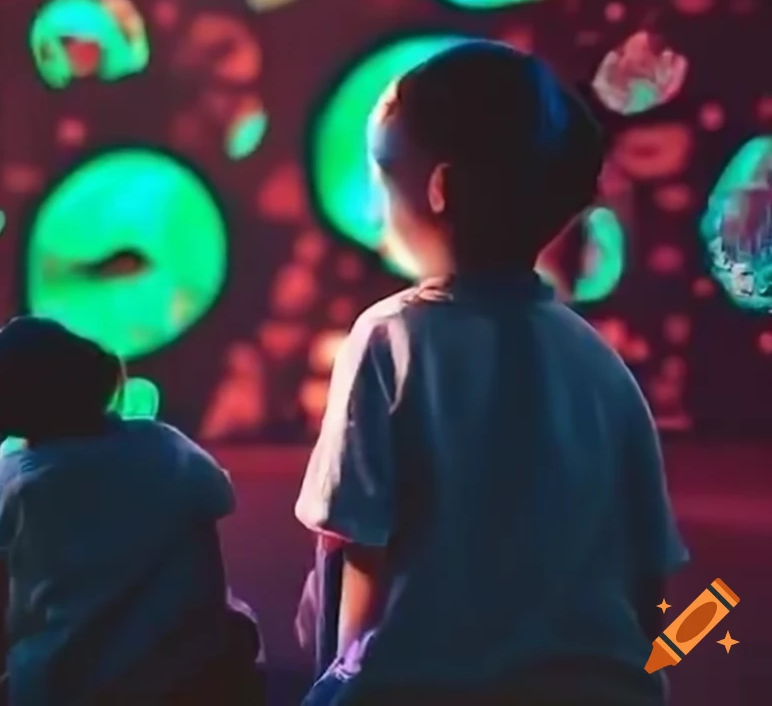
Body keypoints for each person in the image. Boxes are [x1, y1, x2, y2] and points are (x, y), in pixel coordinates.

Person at [294, 40, 688, 706]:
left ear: (439, 188)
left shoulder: (388, 338)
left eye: (383, 175)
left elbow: (354, 544)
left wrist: (341, 678)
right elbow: (648, 574)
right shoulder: (602, 364)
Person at [0, 315, 263, 706]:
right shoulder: (169, 450)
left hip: (54, 685)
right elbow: (208, 568)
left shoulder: (16, 477)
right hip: (181, 682)